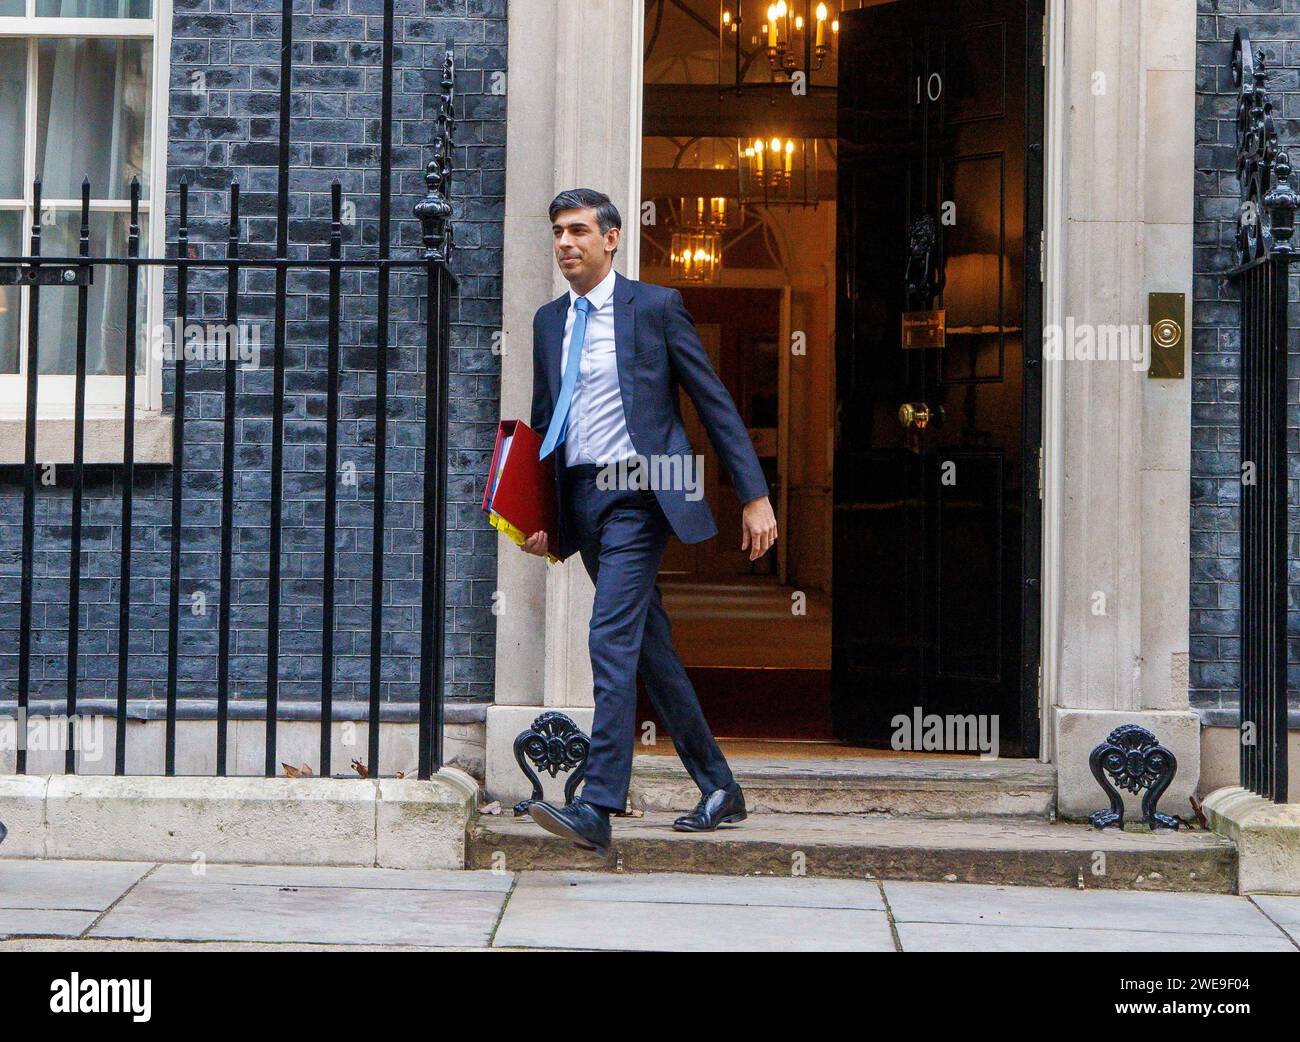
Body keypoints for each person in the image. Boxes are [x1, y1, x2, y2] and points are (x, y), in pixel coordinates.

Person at [520, 188, 777, 856]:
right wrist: (541, 515)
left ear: (611, 239)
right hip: (583, 499)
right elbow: (545, 421)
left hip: (643, 492)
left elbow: (712, 400)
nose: (565, 243)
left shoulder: (656, 307)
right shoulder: (550, 321)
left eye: (578, 230)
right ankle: (720, 785)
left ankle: (598, 803)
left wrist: (754, 493)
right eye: (557, 232)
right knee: (649, 649)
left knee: (609, 636)